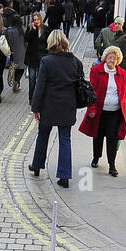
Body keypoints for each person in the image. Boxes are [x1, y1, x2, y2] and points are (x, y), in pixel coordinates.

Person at [29, 29, 83, 187]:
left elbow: (40, 87)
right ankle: (64, 176)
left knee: (43, 135)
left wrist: (35, 108)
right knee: (65, 139)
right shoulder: (75, 62)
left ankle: (37, 165)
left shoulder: (47, 61)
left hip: (48, 107)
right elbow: (80, 85)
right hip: (68, 107)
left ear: (50, 43)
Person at [79, 45, 126, 177]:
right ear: (105, 58)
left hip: (115, 112)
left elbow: (123, 94)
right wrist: (92, 109)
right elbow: (92, 92)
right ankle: (96, 157)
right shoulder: (96, 71)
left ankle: (112, 165)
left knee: (112, 137)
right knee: (98, 135)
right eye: (110, 57)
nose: (112, 60)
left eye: (115, 58)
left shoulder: (122, 73)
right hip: (100, 111)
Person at [24, 11, 48, 98]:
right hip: (32, 57)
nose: (36, 21)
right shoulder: (30, 29)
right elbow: (26, 39)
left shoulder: (46, 29)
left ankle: (39, 98)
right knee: (32, 79)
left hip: (43, 57)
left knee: (40, 79)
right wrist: (33, 30)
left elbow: (48, 42)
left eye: (38, 19)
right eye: (34, 20)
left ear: (41, 19)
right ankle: (31, 98)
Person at [5, 13, 27, 93]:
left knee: (14, 68)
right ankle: (17, 81)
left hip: (12, 52)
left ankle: (15, 81)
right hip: (22, 51)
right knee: (21, 68)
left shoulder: (9, 31)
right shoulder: (24, 29)